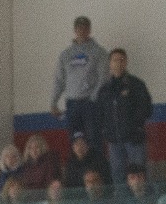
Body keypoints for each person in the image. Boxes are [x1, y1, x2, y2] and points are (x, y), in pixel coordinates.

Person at [96, 48, 154, 185]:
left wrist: (134, 127)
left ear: (126, 62)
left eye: (122, 60)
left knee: (139, 177)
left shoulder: (137, 84)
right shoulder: (104, 90)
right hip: (114, 142)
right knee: (118, 178)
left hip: (134, 140)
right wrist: (106, 131)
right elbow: (100, 114)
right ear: (109, 63)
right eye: (115, 60)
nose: (118, 63)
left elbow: (147, 109)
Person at [51, 16, 108, 149]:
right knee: (75, 142)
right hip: (71, 104)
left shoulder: (99, 52)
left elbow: (104, 78)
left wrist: (93, 98)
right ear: (75, 30)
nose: (82, 30)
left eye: (85, 27)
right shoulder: (65, 54)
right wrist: (53, 102)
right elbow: (59, 80)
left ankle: (96, 169)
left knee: (94, 141)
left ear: (89, 30)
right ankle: (80, 170)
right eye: (79, 27)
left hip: (91, 104)